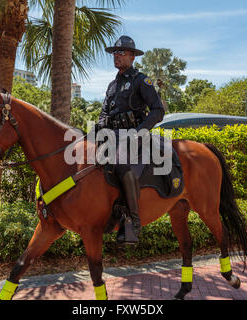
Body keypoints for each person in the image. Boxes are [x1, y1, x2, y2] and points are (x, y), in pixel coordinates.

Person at [95, 35, 165, 244]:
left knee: (123, 164)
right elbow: (103, 113)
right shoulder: (112, 85)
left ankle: (133, 222)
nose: (116, 56)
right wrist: (98, 129)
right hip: (112, 136)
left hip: (136, 135)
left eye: (121, 52)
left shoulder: (141, 80)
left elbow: (157, 111)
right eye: (115, 52)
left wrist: (139, 131)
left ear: (132, 56)